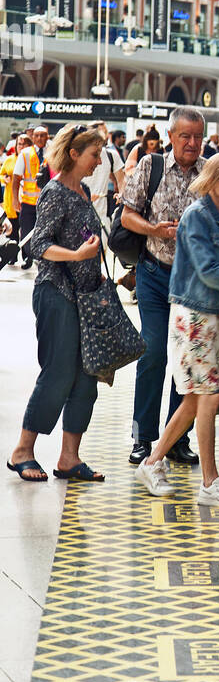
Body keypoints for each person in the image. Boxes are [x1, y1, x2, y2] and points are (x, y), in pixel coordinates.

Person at [135, 155, 219, 506]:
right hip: (195, 317)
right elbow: (210, 270)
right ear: (213, 180)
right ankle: (209, 482)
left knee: (193, 399)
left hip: (214, 315)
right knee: (209, 396)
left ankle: (152, 462)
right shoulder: (197, 217)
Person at [6, 124, 106, 484]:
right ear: (75, 154)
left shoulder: (83, 190)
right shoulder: (54, 192)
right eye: (94, 154)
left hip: (83, 296)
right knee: (58, 373)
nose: (99, 161)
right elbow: (38, 244)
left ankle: (69, 458)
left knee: (86, 376)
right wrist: (79, 255)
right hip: (55, 293)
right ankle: (22, 450)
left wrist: (94, 268)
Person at [121, 106, 210, 467]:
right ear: (171, 136)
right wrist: (154, 230)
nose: (191, 143)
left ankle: (177, 439)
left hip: (192, 281)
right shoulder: (151, 166)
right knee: (154, 351)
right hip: (155, 274)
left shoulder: (209, 172)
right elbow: (128, 214)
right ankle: (143, 437)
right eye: (184, 136)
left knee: (185, 361)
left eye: (197, 137)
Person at [12, 123, 49, 270]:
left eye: (43, 135)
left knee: (45, 233)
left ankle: (42, 259)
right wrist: (15, 199)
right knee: (26, 233)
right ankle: (28, 257)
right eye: (37, 135)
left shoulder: (51, 153)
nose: (39, 138)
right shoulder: (25, 153)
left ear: (47, 137)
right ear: (32, 137)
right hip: (28, 202)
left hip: (47, 202)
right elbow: (16, 178)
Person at [88, 122, 124, 228]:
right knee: (86, 241)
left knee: (103, 243)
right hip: (81, 215)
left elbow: (122, 180)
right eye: (103, 132)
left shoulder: (111, 155)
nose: (106, 136)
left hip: (103, 216)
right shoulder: (80, 155)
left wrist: (121, 194)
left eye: (106, 132)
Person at [1, 133, 28, 250]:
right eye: (19, 144)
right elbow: (1, 174)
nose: (21, 147)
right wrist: (5, 179)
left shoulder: (31, 160)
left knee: (26, 228)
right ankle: (12, 253)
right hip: (11, 198)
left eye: (24, 144)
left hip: (27, 199)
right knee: (13, 227)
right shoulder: (9, 160)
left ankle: (27, 256)